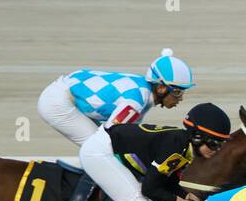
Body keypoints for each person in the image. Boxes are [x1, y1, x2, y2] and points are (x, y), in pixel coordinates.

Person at [75, 103, 232, 201]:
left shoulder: (183, 145)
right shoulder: (177, 146)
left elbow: (164, 181)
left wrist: (186, 195)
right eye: (214, 143)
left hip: (105, 147)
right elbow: (149, 189)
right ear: (197, 137)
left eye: (221, 144)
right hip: (99, 152)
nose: (217, 149)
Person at [38, 48, 194, 146]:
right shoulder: (135, 102)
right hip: (57, 103)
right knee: (103, 149)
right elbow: (111, 136)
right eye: (177, 92)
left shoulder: (143, 89)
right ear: (161, 88)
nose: (180, 99)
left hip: (64, 92)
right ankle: (80, 199)